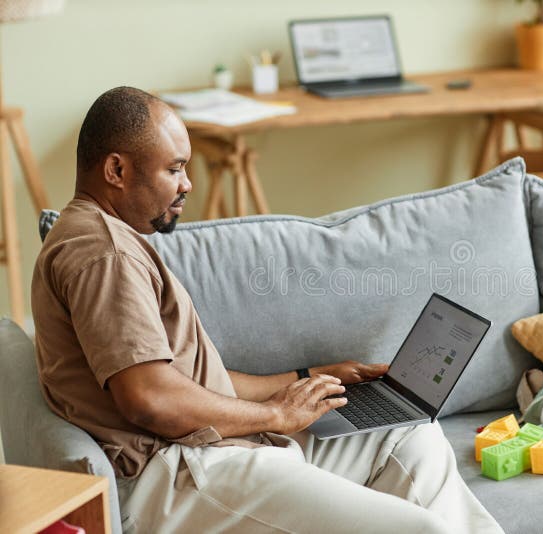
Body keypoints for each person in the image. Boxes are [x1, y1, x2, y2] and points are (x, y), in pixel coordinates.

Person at [31, 87, 502, 534]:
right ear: (116, 170)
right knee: (426, 530)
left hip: (217, 453)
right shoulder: (104, 254)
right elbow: (151, 400)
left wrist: (304, 378)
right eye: (174, 169)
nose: (187, 184)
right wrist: (276, 416)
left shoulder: (107, 239)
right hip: (182, 476)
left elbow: (190, 382)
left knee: (407, 436)